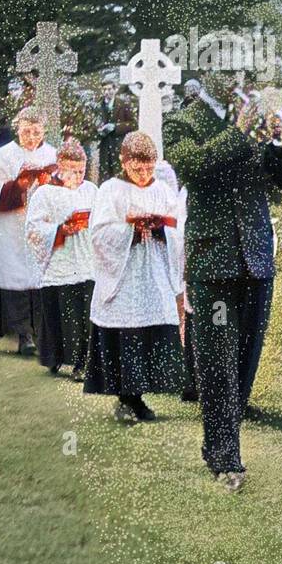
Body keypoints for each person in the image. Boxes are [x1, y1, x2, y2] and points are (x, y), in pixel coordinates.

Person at [163, 76, 282, 491]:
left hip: (257, 257)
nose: (236, 82)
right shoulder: (182, 121)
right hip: (214, 263)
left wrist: (276, 144)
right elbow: (193, 167)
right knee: (217, 361)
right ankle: (226, 454)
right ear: (208, 82)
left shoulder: (255, 122)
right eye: (227, 74)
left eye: (240, 74)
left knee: (245, 360)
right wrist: (240, 132)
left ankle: (220, 439)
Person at [83, 131, 184, 423]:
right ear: (123, 162)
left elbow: (178, 231)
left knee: (152, 328)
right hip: (124, 274)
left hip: (153, 272)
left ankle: (144, 392)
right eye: (136, 168)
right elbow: (99, 234)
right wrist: (130, 232)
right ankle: (129, 396)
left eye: (149, 168)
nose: (143, 174)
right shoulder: (111, 190)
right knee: (128, 331)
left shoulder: (164, 191)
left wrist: (161, 230)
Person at [0, 107, 59, 354]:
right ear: (18, 129)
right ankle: (23, 333)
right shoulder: (3, 156)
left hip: (43, 224)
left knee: (40, 275)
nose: (32, 137)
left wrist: (50, 184)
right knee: (16, 274)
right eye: (27, 131)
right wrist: (18, 185)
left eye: (37, 131)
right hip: (12, 223)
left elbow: (66, 186)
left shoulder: (52, 153)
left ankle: (41, 331)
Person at [25, 136, 97, 379]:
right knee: (65, 313)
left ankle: (82, 363)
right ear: (59, 168)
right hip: (59, 262)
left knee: (84, 315)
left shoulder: (92, 191)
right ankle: (55, 357)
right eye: (71, 171)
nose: (77, 177)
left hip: (86, 262)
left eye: (81, 171)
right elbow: (33, 229)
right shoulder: (44, 194)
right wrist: (60, 230)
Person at [97, 76, 136, 179]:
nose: (107, 92)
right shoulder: (97, 105)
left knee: (119, 174)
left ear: (115, 90)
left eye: (109, 89)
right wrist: (98, 130)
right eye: (104, 89)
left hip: (119, 146)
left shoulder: (123, 104)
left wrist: (115, 127)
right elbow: (92, 123)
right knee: (104, 175)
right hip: (104, 146)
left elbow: (133, 124)